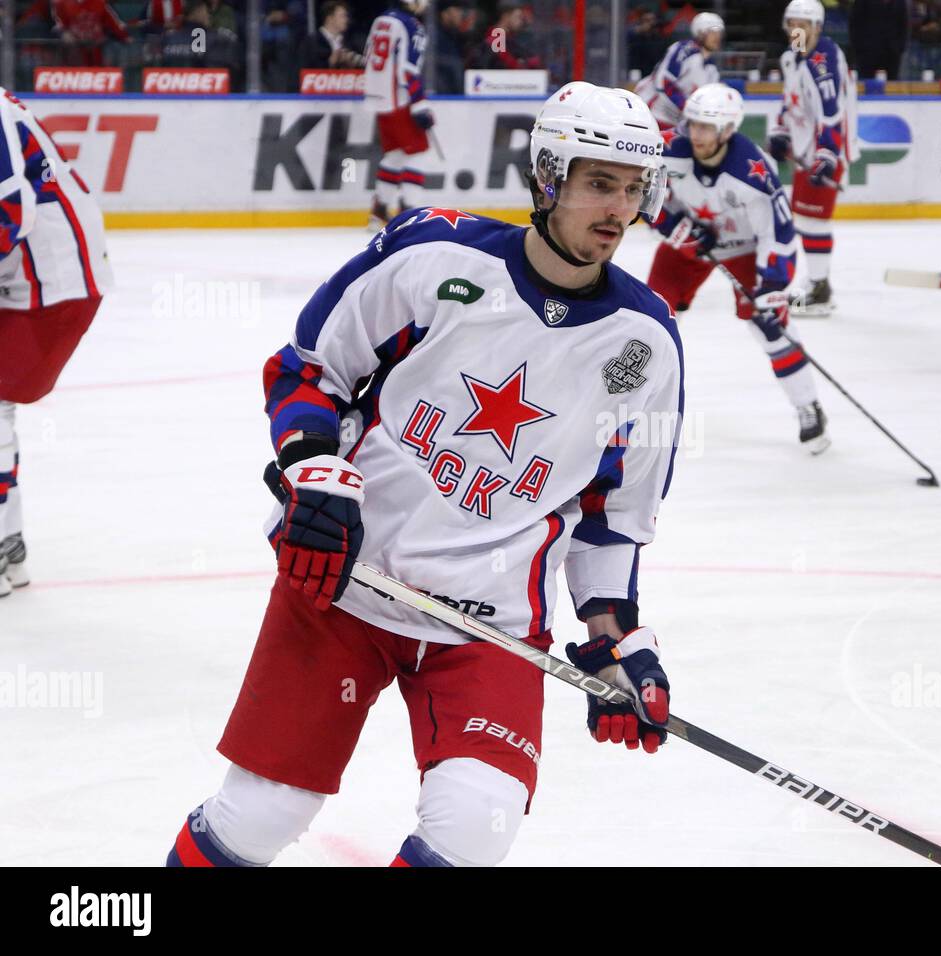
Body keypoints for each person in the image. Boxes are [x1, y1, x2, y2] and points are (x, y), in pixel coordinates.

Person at [165, 81, 683, 868]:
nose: (617, 208)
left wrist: (619, 640)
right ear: (547, 177)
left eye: (633, 188)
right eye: (597, 183)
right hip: (347, 582)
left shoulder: (644, 342)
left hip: (492, 624)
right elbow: (308, 370)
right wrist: (312, 471)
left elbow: (613, 512)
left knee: (475, 825)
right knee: (262, 812)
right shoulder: (435, 256)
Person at [648, 84, 828, 454]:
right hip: (688, 243)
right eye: (693, 124)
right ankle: (638, 409)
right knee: (651, 317)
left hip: (744, 248)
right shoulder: (668, 149)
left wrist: (773, 284)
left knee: (771, 327)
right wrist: (671, 224)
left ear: (728, 131)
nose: (696, 134)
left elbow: (776, 231)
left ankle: (808, 406)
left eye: (706, 128)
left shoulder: (753, 171)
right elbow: (638, 188)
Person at [0, 86, 114, 597]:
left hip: (51, 282)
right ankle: (9, 545)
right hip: (33, 276)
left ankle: (5, 548)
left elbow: (10, 210)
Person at [768, 0, 857, 317]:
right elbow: (789, 100)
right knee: (804, 219)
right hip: (806, 152)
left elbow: (832, 114)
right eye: (792, 23)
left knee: (813, 220)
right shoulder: (791, 58)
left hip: (826, 153)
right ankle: (817, 282)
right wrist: (780, 130)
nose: (797, 30)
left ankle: (820, 289)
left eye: (804, 25)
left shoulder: (825, 59)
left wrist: (828, 155)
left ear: (818, 28)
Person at [363, 0, 436, 228]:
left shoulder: (381, 19)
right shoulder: (412, 25)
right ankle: (409, 217)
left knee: (396, 154)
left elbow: (367, 56)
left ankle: (379, 211)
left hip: (377, 97)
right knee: (418, 154)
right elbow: (409, 70)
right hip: (400, 100)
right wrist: (419, 105)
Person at [633, 11, 725, 130]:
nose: (717, 37)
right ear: (700, 33)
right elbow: (664, 83)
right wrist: (687, 107)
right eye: (712, 32)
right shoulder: (684, 51)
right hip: (648, 113)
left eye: (719, 33)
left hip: (674, 124)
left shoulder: (711, 69)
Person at [848, 0, 909, 80]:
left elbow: (904, 25)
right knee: (866, 83)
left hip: (892, 52)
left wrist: (899, 47)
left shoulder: (900, 2)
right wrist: (859, 48)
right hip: (867, 52)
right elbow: (855, 23)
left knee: (893, 84)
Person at [298, 1, 365, 70]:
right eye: (342, 16)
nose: (346, 20)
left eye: (347, 16)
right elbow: (305, 69)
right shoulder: (312, 42)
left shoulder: (351, 42)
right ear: (330, 18)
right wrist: (330, 62)